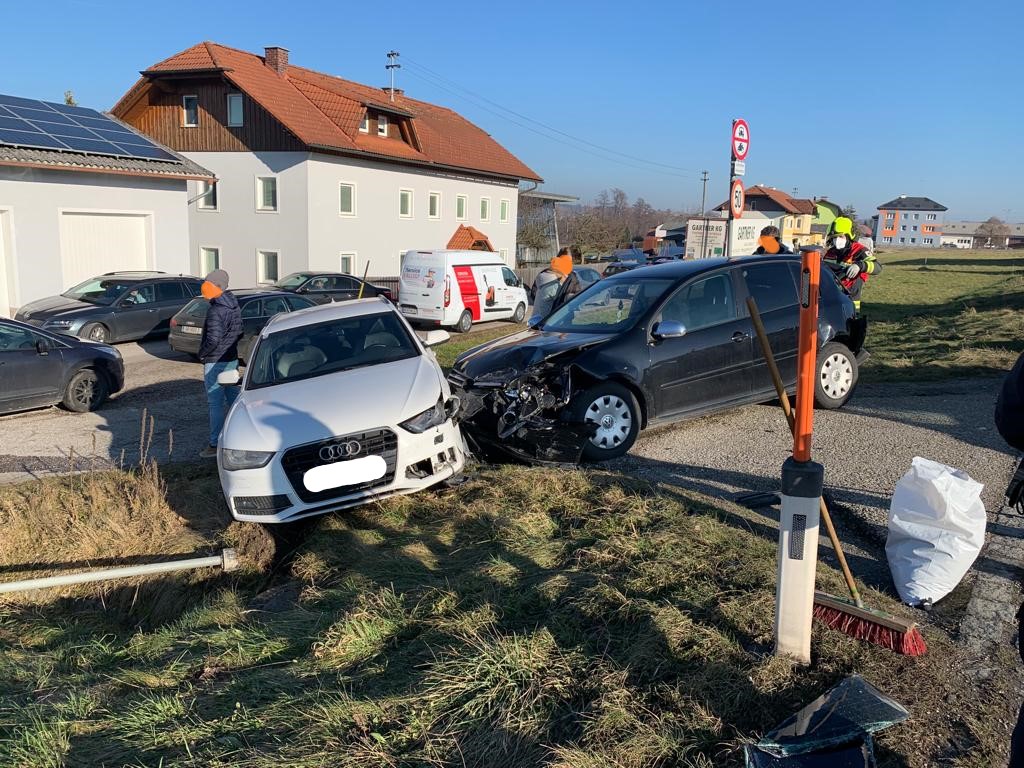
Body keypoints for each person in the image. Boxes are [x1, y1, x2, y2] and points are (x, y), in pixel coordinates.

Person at [197, 269, 243, 458]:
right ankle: (239, 436)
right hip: (231, 359)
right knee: (235, 402)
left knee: (215, 404)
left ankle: (214, 444)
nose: (204, 288)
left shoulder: (216, 310)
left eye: (207, 284)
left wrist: (202, 354)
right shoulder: (234, 306)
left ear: (217, 286)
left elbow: (213, 340)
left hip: (215, 361)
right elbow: (239, 332)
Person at [824, 216, 881, 314]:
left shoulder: (859, 250)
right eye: (834, 237)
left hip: (851, 297)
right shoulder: (831, 252)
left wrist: (860, 266)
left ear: (848, 236)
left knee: (852, 323)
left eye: (840, 236)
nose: (837, 240)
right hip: (832, 295)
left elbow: (877, 267)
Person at [530, 246, 581, 324]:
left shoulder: (543, 276)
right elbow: (573, 301)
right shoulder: (555, 284)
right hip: (549, 326)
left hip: (537, 323)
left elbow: (533, 295)